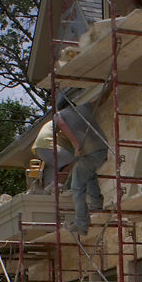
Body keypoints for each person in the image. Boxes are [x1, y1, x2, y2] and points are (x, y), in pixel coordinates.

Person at [55, 91, 109, 234]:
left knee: (77, 186)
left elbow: (61, 123)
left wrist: (76, 145)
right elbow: (101, 98)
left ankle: (81, 223)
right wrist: (109, 87)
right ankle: (97, 204)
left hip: (89, 152)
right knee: (88, 173)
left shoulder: (60, 115)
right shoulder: (84, 107)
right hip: (102, 149)